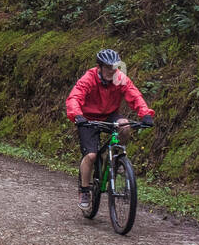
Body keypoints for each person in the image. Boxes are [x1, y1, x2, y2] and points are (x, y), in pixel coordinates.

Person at [65, 49, 155, 210]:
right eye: (107, 68)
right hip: (88, 118)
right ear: (99, 67)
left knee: (125, 126)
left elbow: (134, 95)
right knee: (91, 156)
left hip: (109, 115)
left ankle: (116, 157)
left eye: (114, 68)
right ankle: (85, 190)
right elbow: (74, 97)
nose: (111, 71)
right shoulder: (89, 78)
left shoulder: (119, 78)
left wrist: (145, 114)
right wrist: (77, 115)